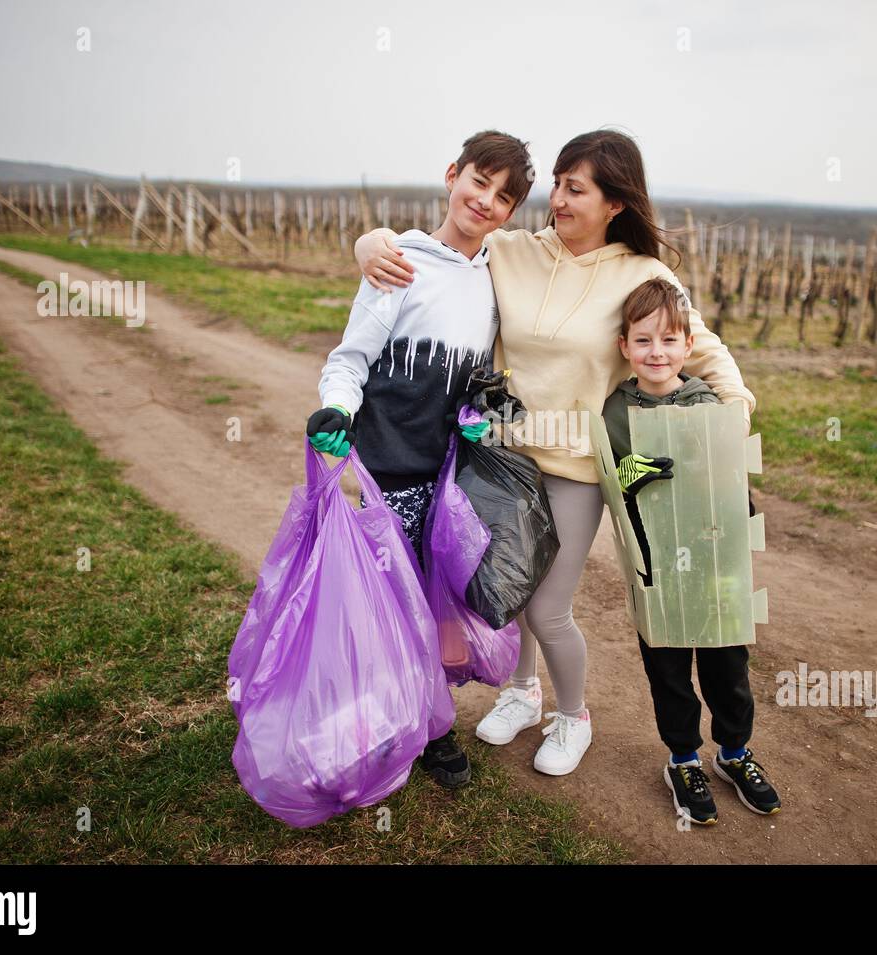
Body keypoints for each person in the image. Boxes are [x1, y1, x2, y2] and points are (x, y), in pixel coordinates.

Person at [354, 129, 755, 777]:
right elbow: (438, 244)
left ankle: (573, 716)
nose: (558, 199)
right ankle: (520, 691)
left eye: (577, 189)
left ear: (614, 204)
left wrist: (733, 413)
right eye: (559, 183)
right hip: (500, 460)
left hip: (574, 469)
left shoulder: (640, 274)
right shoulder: (511, 251)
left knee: (547, 605)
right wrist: (371, 242)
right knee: (505, 589)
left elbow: (702, 347)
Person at [307, 130, 534, 788]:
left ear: (513, 210)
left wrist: (490, 408)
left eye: (503, 196)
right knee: (386, 605)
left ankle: (432, 726)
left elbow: (482, 374)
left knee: (439, 607)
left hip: (454, 480)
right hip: (389, 475)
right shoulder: (400, 260)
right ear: (451, 174)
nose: (485, 201)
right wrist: (337, 411)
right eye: (478, 181)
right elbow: (351, 359)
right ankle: (380, 725)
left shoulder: (496, 276)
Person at [602, 277, 780, 825]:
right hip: (657, 560)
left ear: (687, 346)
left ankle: (733, 752)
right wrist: (633, 473)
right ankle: (682, 758)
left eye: (669, 341)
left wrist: (741, 513)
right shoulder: (615, 412)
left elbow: (728, 477)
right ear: (625, 347)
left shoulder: (709, 403)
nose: (657, 352)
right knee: (669, 667)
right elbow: (612, 480)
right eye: (645, 341)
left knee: (729, 662)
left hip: (713, 557)